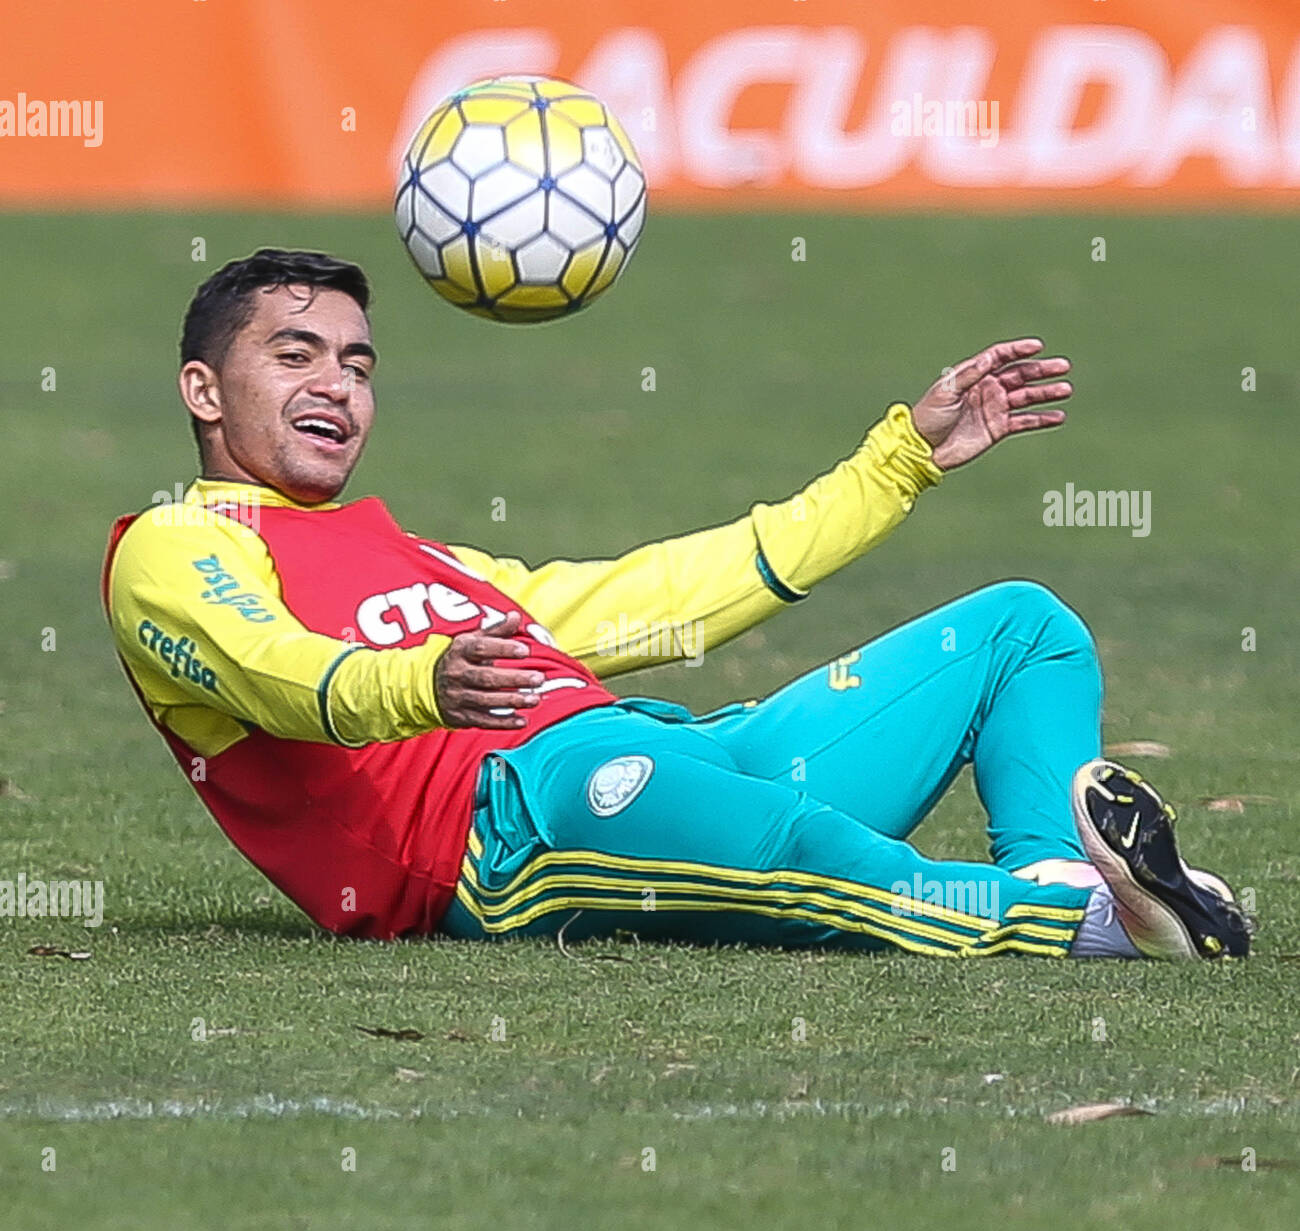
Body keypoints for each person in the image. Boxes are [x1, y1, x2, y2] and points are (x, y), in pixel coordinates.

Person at [102, 249, 1250, 962]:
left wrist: (898, 459)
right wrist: (419, 682)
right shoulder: (175, 544)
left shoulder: (413, 550)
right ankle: (1090, 924)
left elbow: (663, 600)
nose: (335, 386)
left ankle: (1062, 869)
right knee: (807, 852)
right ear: (203, 388)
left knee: (1021, 627)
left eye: (355, 362)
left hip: (666, 752)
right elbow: (264, 669)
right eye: (294, 354)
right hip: (512, 833)